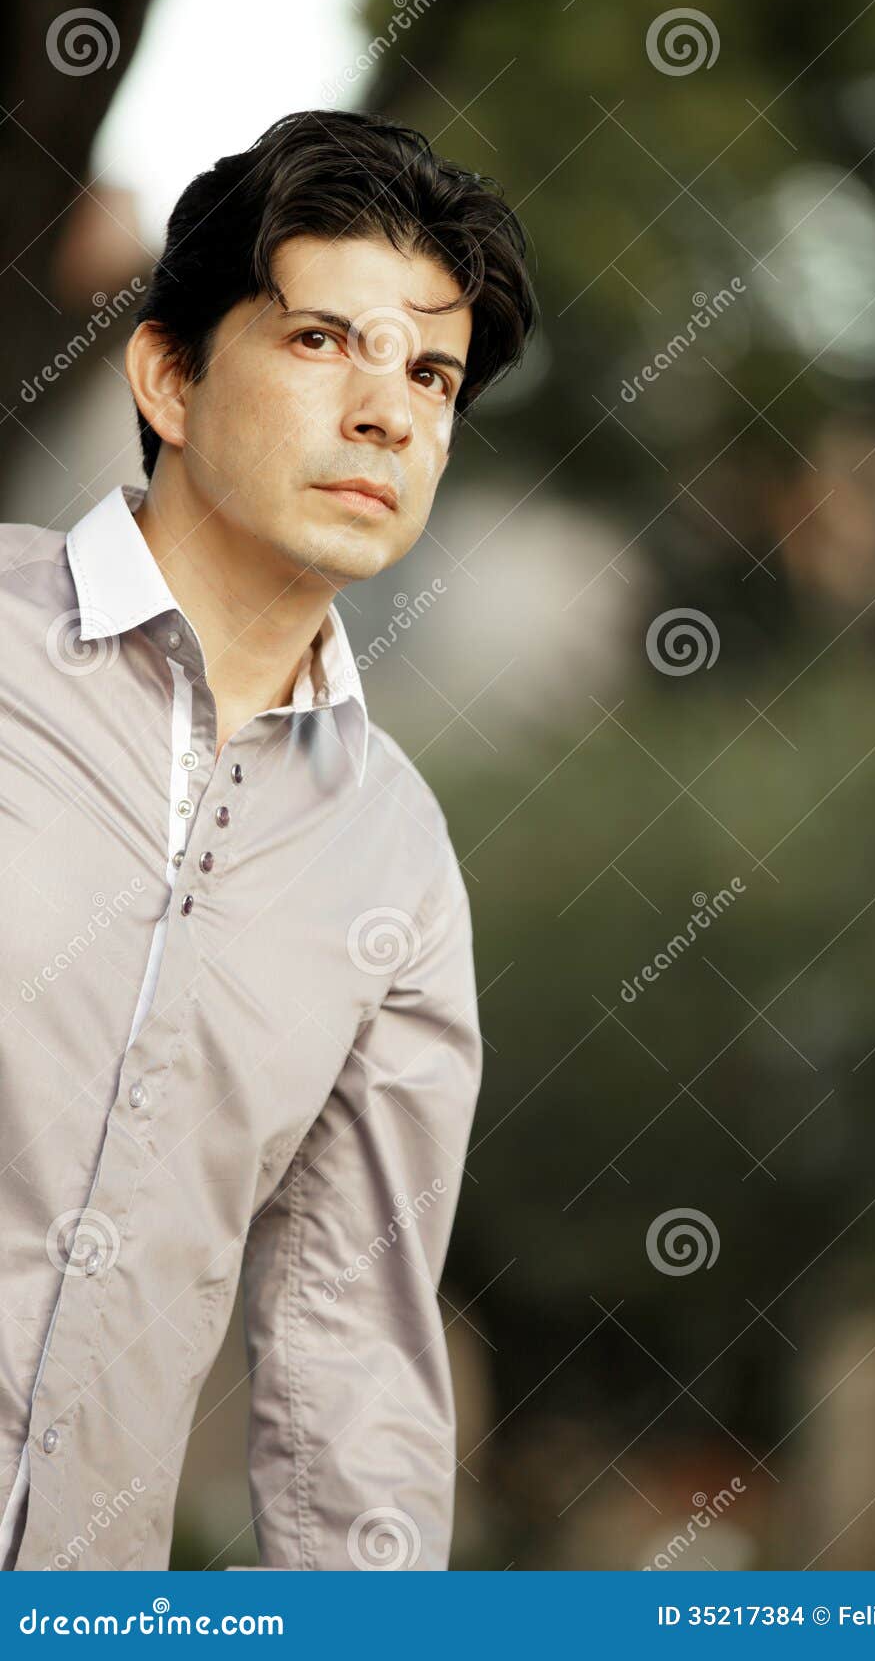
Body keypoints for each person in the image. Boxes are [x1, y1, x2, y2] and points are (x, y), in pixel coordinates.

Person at [0, 108, 536, 1571]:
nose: (388, 412)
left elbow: (350, 1364)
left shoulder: (399, 862)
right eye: (322, 343)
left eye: (429, 371)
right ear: (168, 374)